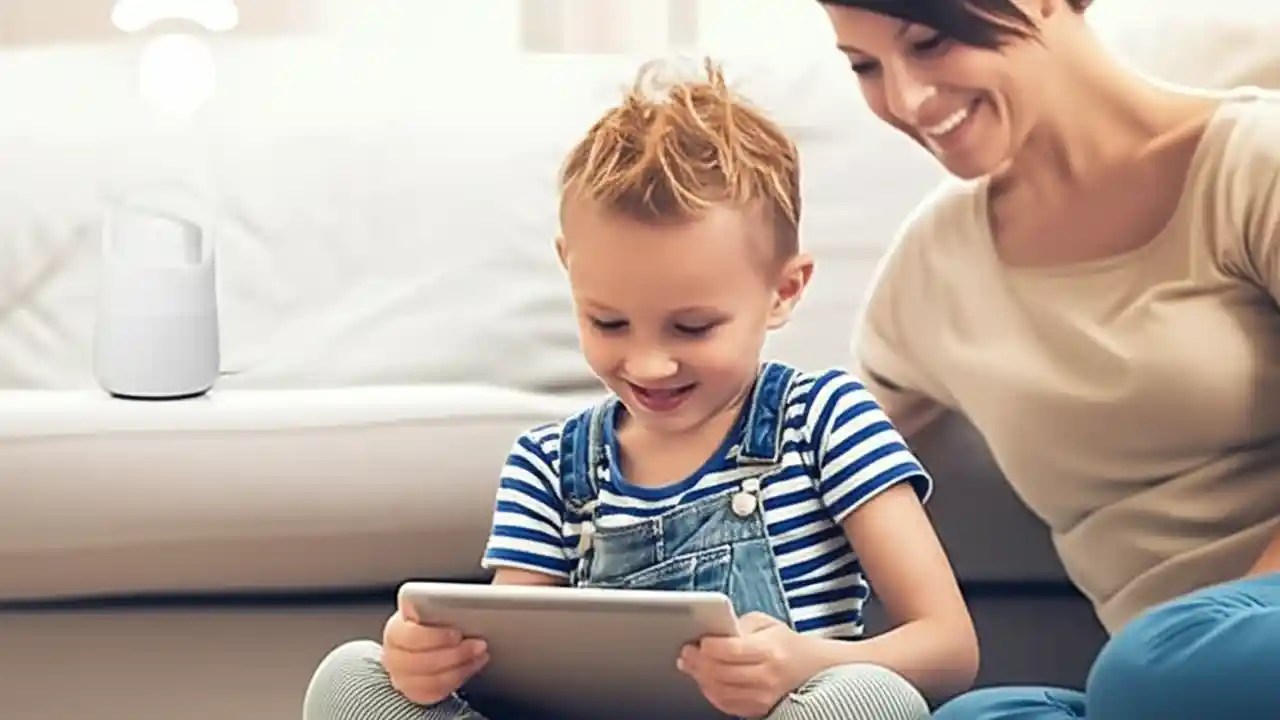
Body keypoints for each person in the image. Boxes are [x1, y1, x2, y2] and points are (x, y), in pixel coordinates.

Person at [301, 58, 981, 720]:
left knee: (871, 701)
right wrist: (429, 662)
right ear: (570, 271)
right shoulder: (549, 466)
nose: (650, 365)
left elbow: (948, 647)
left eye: (692, 327)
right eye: (609, 322)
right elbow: (498, 672)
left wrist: (802, 663)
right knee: (352, 678)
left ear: (783, 290)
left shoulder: (825, 420)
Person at [815, 1, 1280, 718]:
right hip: (1151, 682)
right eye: (865, 66)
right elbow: (805, 465)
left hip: (1193, 659)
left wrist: (1205, 649)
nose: (904, 99)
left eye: (930, 42)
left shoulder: (1254, 161)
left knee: (1151, 674)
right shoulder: (933, 268)